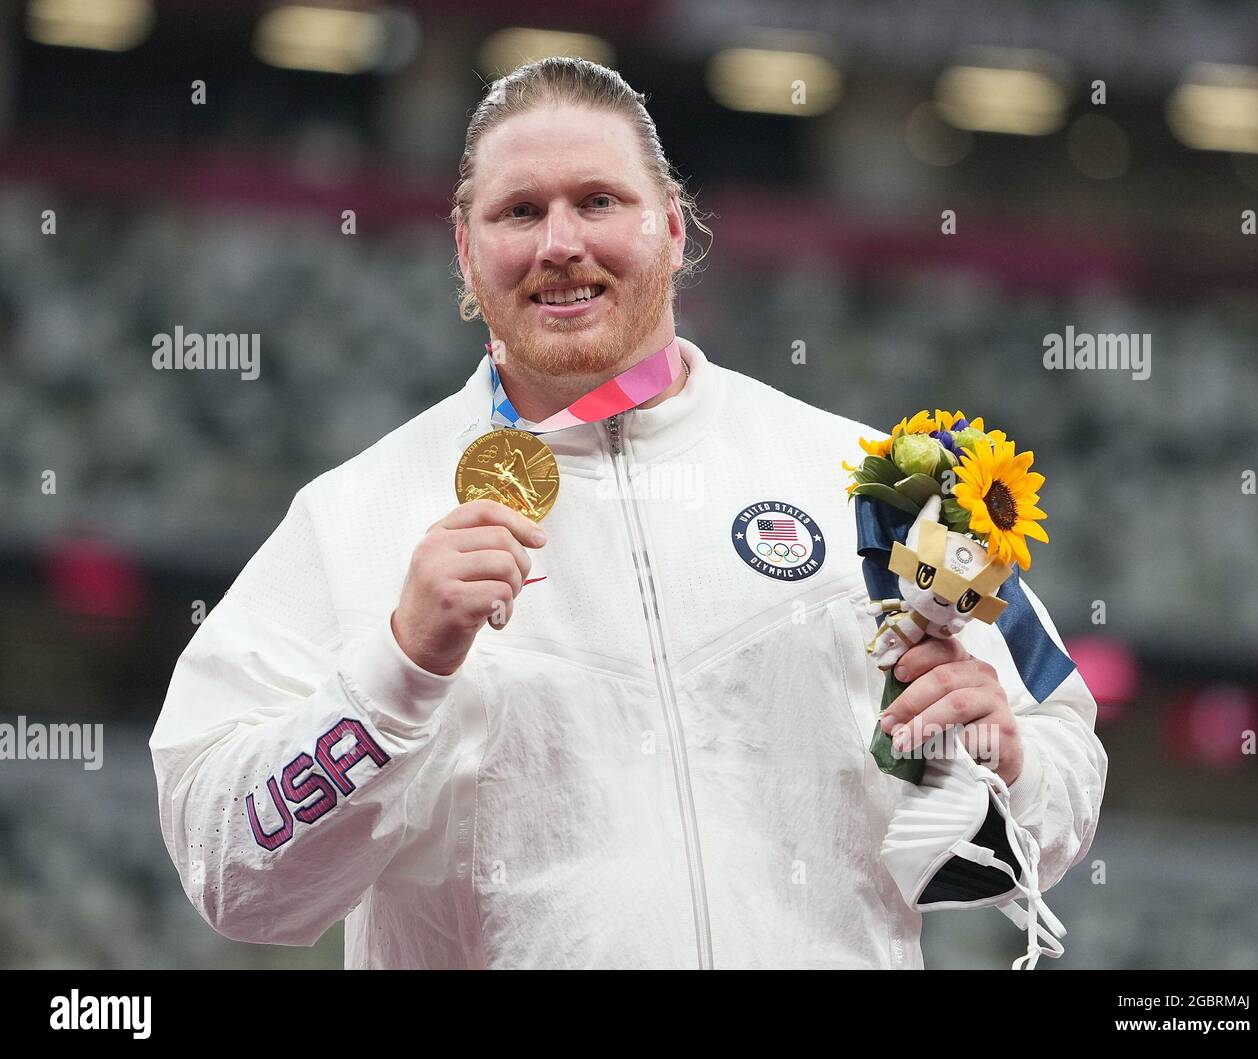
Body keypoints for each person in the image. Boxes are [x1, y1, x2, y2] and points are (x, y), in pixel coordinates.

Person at [149, 57, 1107, 969]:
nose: (560, 242)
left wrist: (1008, 759)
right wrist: (397, 670)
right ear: (466, 249)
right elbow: (229, 869)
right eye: (519, 211)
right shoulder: (357, 516)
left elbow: (1063, 752)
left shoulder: (862, 477)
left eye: (598, 201)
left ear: (674, 228)